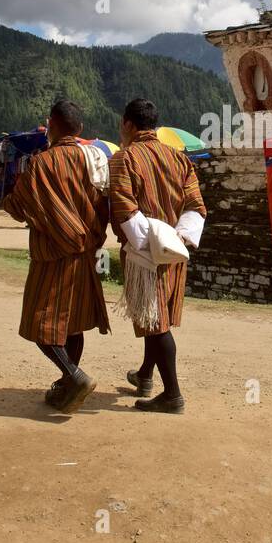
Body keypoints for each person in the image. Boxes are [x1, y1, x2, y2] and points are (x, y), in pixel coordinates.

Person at [0, 99, 110, 413]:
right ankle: (67, 385)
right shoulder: (96, 159)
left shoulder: (41, 163)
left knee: (40, 322)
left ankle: (74, 375)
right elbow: (106, 204)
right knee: (72, 324)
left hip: (53, 255)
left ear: (50, 125)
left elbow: (20, 207)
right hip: (87, 252)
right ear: (80, 129)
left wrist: (10, 199)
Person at [109, 98, 206, 413]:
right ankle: (145, 375)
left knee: (156, 322)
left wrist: (146, 242)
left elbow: (124, 206)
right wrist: (176, 237)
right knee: (154, 317)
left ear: (127, 124)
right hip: (175, 250)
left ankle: (173, 394)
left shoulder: (124, 159)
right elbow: (195, 205)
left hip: (145, 256)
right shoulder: (179, 159)